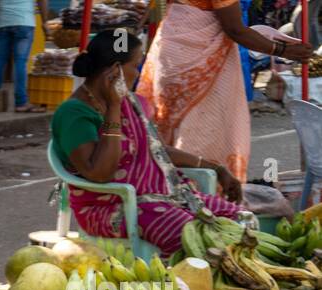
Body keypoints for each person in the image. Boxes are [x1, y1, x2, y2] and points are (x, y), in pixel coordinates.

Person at [51, 31, 247, 256]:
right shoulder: (74, 114)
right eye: (136, 65)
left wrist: (216, 168)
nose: (138, 72)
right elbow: (100, 173)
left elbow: (157, 150)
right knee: (192, 236)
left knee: (240, 222)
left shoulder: (131, 103)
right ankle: (183, 286)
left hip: (162, 196)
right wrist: (114, 109)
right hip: (110, 207)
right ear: (115, 70)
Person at [137, 0, 311, 182]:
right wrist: (283, 50)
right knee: (199, 135)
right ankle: (200, 198)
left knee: (172, 132)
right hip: (197, 61)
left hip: (172, 51)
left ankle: (174, 193)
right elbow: (234, 29)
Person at [0, 0, 51, 113]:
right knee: (20, 61)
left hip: (3, 23)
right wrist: (44, 21)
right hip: (24, 23)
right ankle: (21, 103)